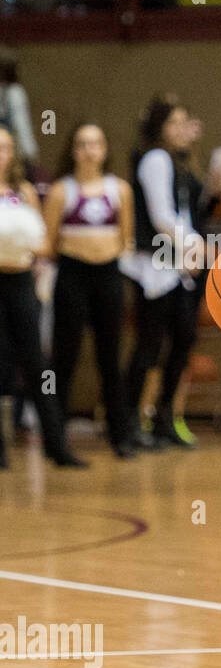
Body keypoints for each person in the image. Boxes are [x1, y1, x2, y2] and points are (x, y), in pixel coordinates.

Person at [121, 95, 215, 450]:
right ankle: (129, 420)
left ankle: (164, 418)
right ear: (159, 127)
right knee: (149, 346)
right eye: (173, 123)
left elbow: (187, 213)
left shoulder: (179, 161)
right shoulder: (156, 158)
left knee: (183, 340)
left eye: (183, 122)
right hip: (155, 266)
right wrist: (194, 245)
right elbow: (162, 218)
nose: (181, 129)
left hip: (178, 266)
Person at [43, 123, 136, 460]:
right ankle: (56, 440)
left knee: (110, 359)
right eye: (82, 143)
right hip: (71, 276)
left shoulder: (119, 189)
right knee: (63, 360)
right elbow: (48, 242)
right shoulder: (61, 190)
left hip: (108, 277)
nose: (89, 150)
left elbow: (126, 237)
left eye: (96, 143)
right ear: (73, 150)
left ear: (105, 149)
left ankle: (120, 436)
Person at [0, 125, 84, 469]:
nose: (0, 154)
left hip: (20, 283)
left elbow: (45, 243)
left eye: (5, 147)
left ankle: (56, 445)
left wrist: (26, 249)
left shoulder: (24, 191)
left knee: (36, 364)